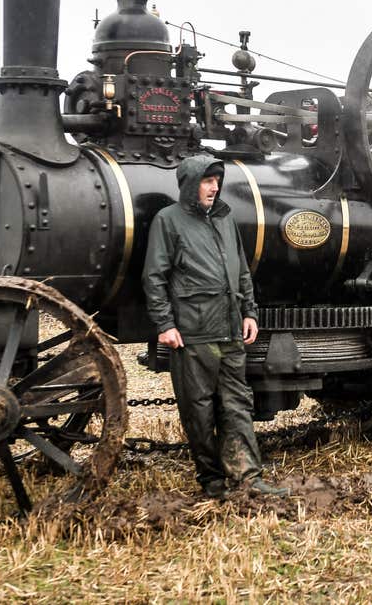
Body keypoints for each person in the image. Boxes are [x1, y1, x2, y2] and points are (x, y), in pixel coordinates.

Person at [142, 154, 289, 499]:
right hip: (193, 335)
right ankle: (212, 482)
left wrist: (249, 313)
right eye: (208, 181)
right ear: (191, 184)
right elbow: (155, 276)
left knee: (237, 404)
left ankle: (248, 479)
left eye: (217, 181)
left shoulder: (224, 219)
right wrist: (165, 323)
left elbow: (240, 271)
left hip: (229, 330)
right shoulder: (169, 221)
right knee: (199, 410)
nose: (215, 187)